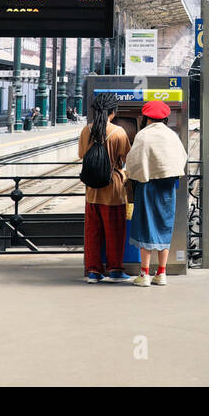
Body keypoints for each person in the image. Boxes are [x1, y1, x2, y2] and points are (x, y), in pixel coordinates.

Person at [125, 100, 188, 286]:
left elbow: (133, 162)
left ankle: (144, 275)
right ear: (166, 118)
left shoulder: (143, 136)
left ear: (146, 117)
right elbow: (181, 158)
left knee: (146, 226)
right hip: (168, 187)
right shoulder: (172, 136)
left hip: (146, 186)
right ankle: (162, 273)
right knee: (163, 226)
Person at [79, 92, 131, 284]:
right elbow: (127, 159)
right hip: (113, 190)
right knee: (114, 231)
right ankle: (115, 270)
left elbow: (81, 154)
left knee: (93, 232)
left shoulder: (87, 130)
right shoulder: (118, 132)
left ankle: (93, 271)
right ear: (113, 112)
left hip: (92, 190)